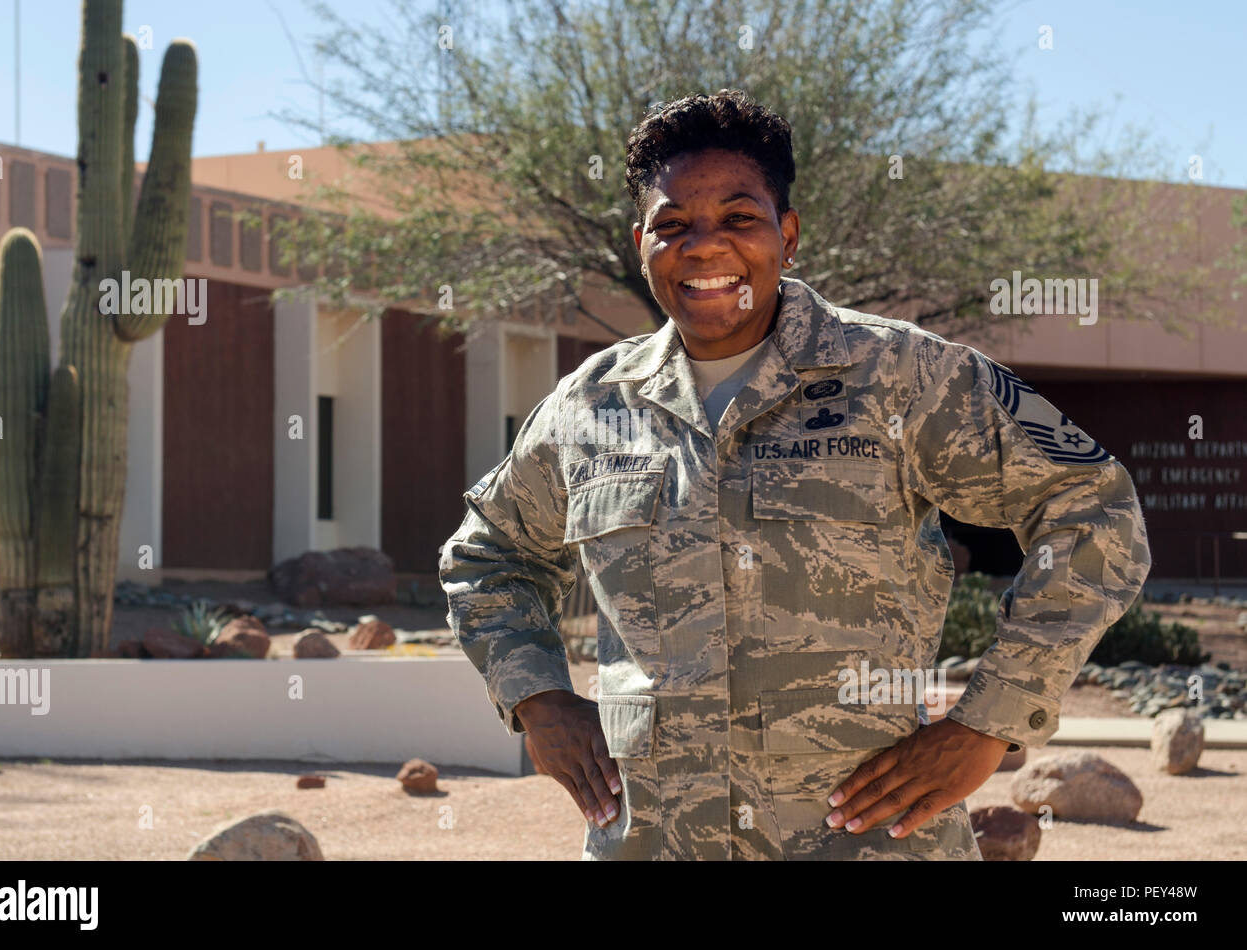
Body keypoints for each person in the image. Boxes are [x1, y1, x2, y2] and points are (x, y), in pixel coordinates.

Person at [438, 89, 1152, 860]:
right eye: (674, 225)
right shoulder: (591, 407)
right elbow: (487, 556)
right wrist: (538, 698)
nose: (705, 247)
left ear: (789, 234)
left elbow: (1093, 507)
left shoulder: (902, 375)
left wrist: (989, 721)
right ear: (642, 242)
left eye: (740, 218)